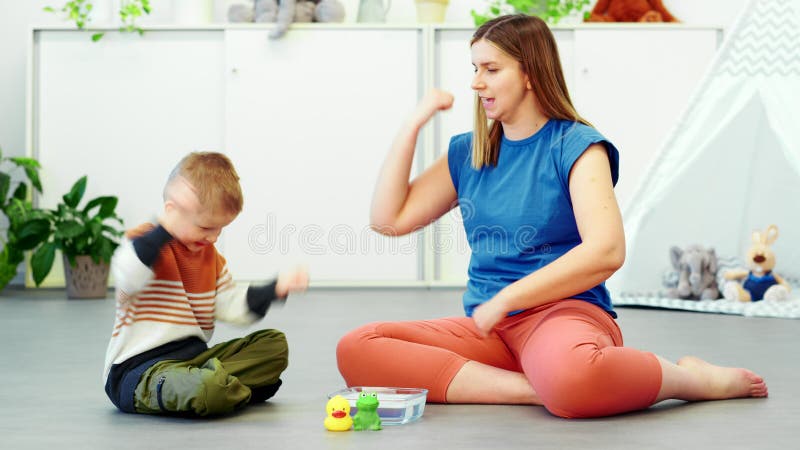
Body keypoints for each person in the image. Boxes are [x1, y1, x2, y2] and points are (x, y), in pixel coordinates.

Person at [336, 14, 767, 418]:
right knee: (359, 347)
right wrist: (413, 123)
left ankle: (690, 378)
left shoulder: (577, 145)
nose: (475, 82)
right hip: (492, 330)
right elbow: (388, 220)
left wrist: (507, 297)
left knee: (575, 373)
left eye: (490, 69)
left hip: (564, 315)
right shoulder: (469, 152)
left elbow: (607, 250)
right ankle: (536, 387)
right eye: (473, 68)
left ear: (528, 72)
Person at [103, 152, 309, 416]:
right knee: (208, 386)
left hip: (194, 361)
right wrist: (165, 230)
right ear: (171, 213)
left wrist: (274, 288)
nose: (212, 238)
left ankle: (223, 389)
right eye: (204, 228)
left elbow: (231, 307)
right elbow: (127, 275)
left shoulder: (211, 259)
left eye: (219, 229)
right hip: (140, 372)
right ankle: (221, 389)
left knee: (274, 345)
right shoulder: (145, 243)